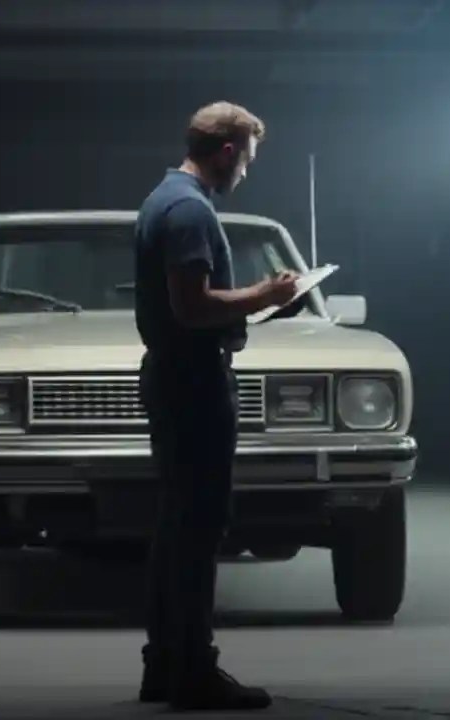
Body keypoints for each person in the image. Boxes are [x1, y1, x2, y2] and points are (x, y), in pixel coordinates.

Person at [133, 101, 304, 711]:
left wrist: (264, 304)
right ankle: (193, 674)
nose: (247, 173)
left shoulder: (169, 199)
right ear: (227, 152)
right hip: (194, 383)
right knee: (198, 531)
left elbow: (197, 304)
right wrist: (266, 290)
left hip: (178, 377)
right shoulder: (187, 211)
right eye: (248, 159)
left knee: (176, 529)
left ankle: (164, 667)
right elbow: (192, 307)